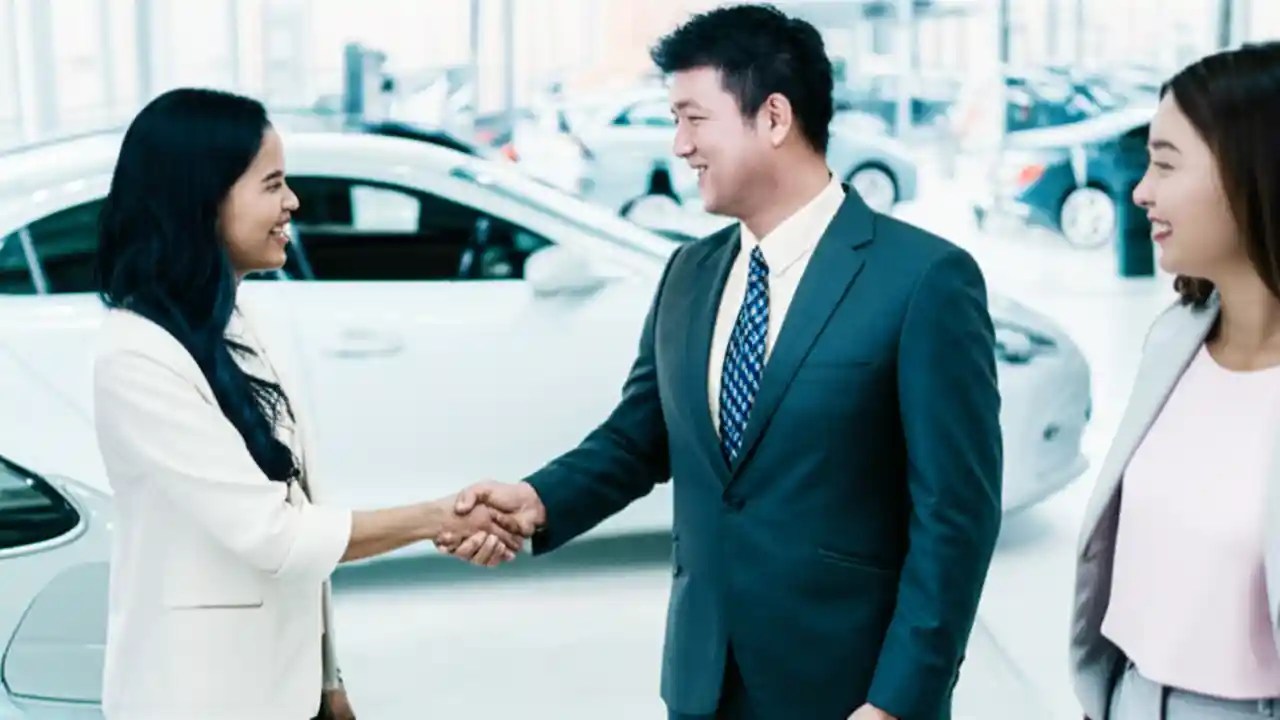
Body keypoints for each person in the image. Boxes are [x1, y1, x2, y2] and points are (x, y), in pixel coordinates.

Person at [437, 5, 1003, 719]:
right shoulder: (689, 274)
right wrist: (540, 499)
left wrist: (899, 700)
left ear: (772, 117)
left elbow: (956, 516)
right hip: (704, 679)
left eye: (692, 118)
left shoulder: (923, 280)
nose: (678, 146)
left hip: (850, 689)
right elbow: (639, 437)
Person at [92, 88, 522, 720]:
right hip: (198, 695)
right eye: (272, 184)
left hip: (278, 688)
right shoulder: (137, 357)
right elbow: (276, 537)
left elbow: (300, 508)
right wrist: (437, 517)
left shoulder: (235, 323)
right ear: (203, 200)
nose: (292, 201)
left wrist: (326, 678)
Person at [1072, 42, 1280, 720]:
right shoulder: (1175, 339)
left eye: (1165, 162)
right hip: (1128, 696)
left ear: (1257, 169)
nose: (1140, 190)